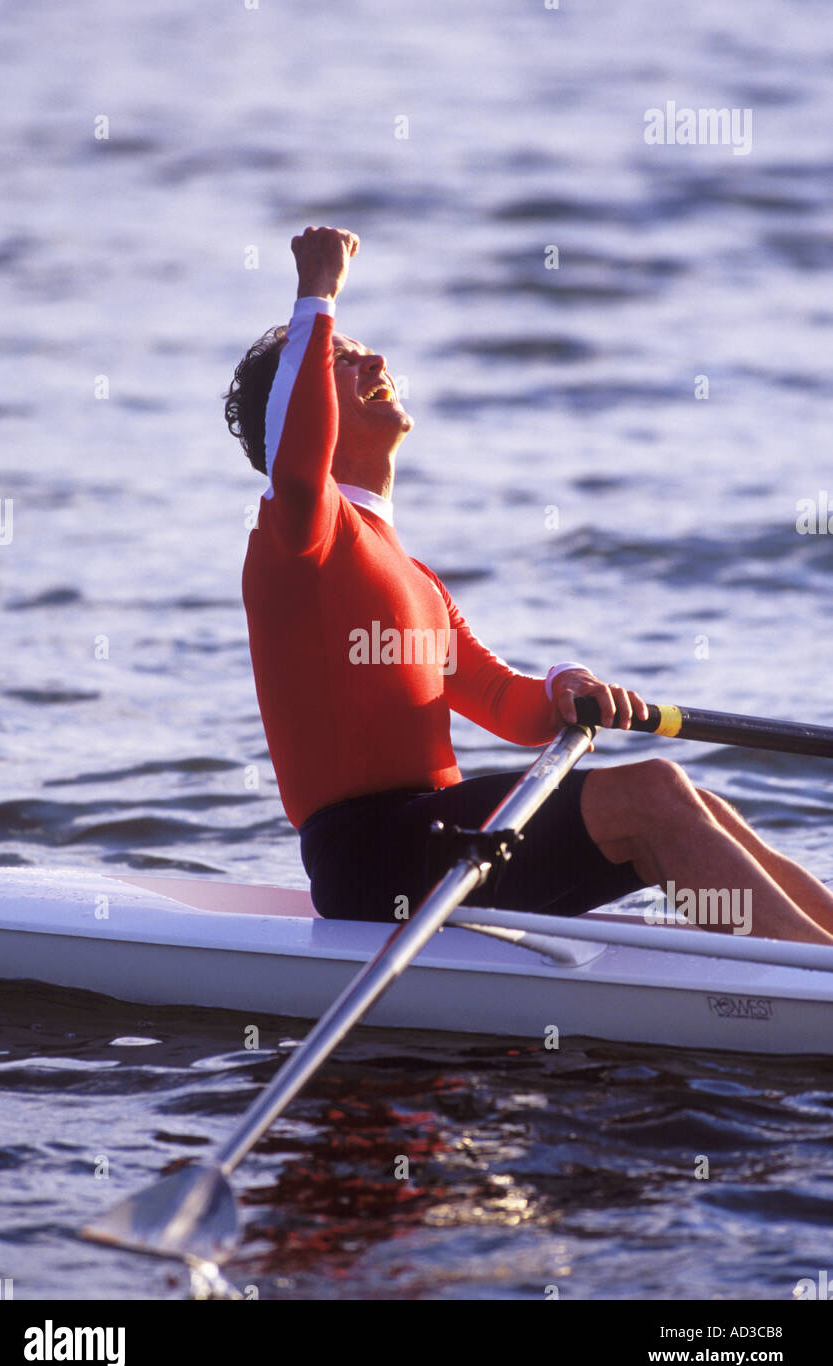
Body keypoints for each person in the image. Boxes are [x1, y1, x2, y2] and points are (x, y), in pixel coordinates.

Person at [225, 225, 833, 945]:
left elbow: (507, 706)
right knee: (654, 793)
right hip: (370, 857)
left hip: (441, 839)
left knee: (695, 801)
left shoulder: (413, 576)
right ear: (306, 415)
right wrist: (317, 292)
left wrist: (559, 690)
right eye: (340, 358)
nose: (375, 360)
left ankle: (808, 965)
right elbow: (296, 461)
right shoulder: (300, 535)